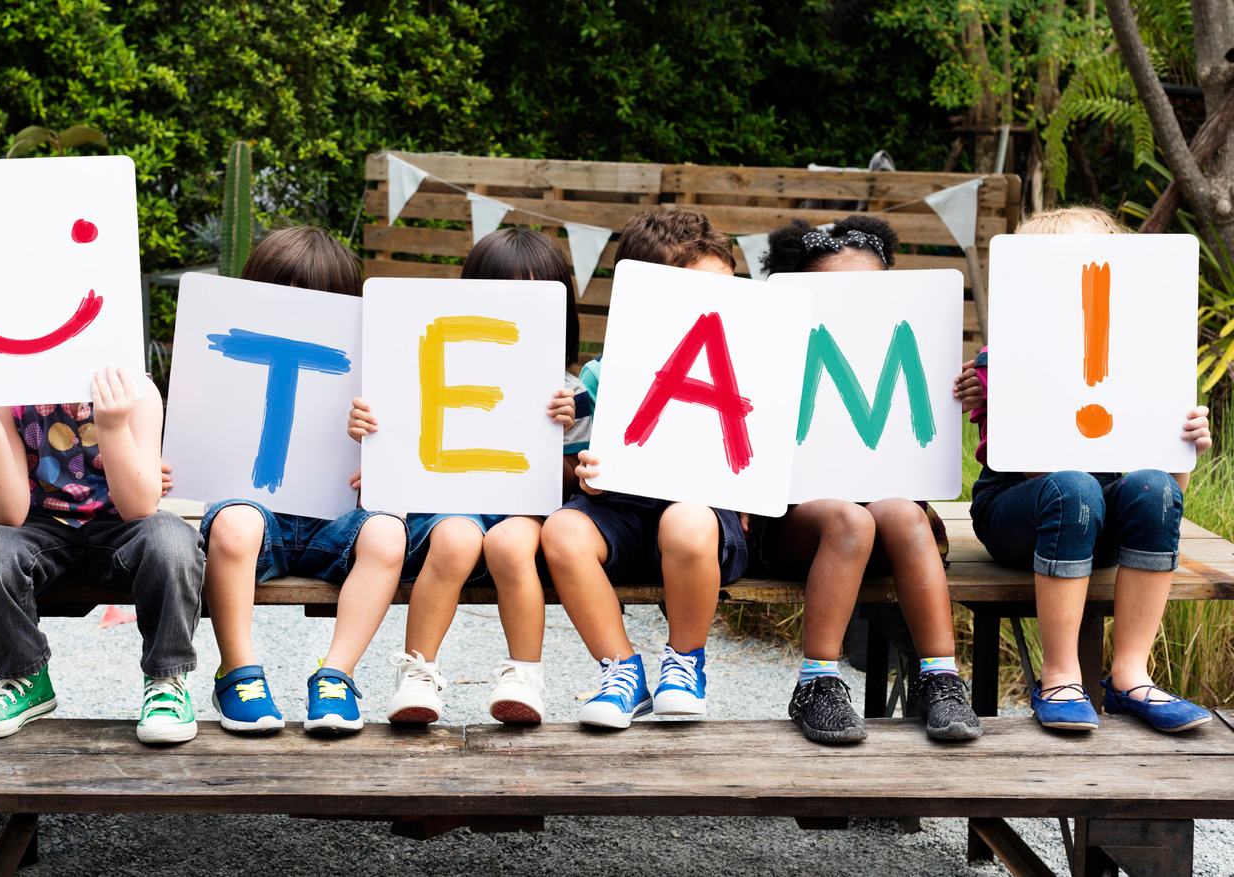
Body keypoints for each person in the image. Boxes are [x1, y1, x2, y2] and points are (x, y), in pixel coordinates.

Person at [959, 205, 1213, 732]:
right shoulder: (1002, 359)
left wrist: (1181, 442)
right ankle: (1059, 674)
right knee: (1074, 487)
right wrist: (1002, 393)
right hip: (1022, 514)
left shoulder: (1144, 354)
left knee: (1152, 487)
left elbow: (1170, 493)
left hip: (1100, 522)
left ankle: (1129, 676)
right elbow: (1036, 472)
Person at [755, 216, 981, 744]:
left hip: (893, 525)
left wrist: (969, 392)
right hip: (801, 527)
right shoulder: (773, 350)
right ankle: (818, 683)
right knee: (849, 519)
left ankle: (941, 678)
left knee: (902, 512)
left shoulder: (911, 343)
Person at [346, 228, 579, 724]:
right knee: (454, 539)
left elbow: (575, 484)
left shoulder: (571, 394)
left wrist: (558, 440)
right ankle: (417, 672)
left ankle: (524, 675)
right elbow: (400, 438)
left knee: (511, 546)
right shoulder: (423, 362)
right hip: (451, 500)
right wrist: (370, 439)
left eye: (531, 300)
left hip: (524, 509)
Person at [540, 208, 749, 729]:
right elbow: (576, 464)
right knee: (563, 531)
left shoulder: (752, 360)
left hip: (701, 516)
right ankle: (622, 669)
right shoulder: (599, 375)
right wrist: (583, 469)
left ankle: (684, 663)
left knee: (688, 520)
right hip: (621, 510)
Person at [200, 226, 407, 735]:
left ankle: (336, 674)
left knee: (387, 531)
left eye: (314, 302)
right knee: (235, 524)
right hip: (256, 519)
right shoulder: (223, 353)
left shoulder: (377, 367)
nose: (295, 311)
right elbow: (194, 435)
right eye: (278, 296)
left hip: (332, 524)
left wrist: (375, 447)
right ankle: (238, 673)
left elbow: (399, 467)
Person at [0, 365, 204, 743]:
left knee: (173, 543)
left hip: (122, 526)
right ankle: (23, 677)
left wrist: (112, 425)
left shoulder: (138, 393)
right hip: (38, 526)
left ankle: (167, 679)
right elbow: (8, 515)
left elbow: (139, 507)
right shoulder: (7, 396)